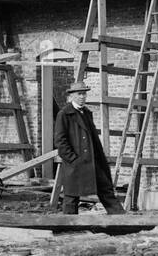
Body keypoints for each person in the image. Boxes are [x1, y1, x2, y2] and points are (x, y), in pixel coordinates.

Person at [53, 80, 125, 215]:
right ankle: (68, 225)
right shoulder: (64, 114)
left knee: (105, 190)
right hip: (75, 164)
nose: (82, 97)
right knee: (71, 196)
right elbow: (60, 142)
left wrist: (99, 159)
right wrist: (74, 160)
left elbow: (93, 139)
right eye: (79, 94)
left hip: (92, 162)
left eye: (84, 94)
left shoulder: (86, 113)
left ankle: (120, 219)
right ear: (72, 96)